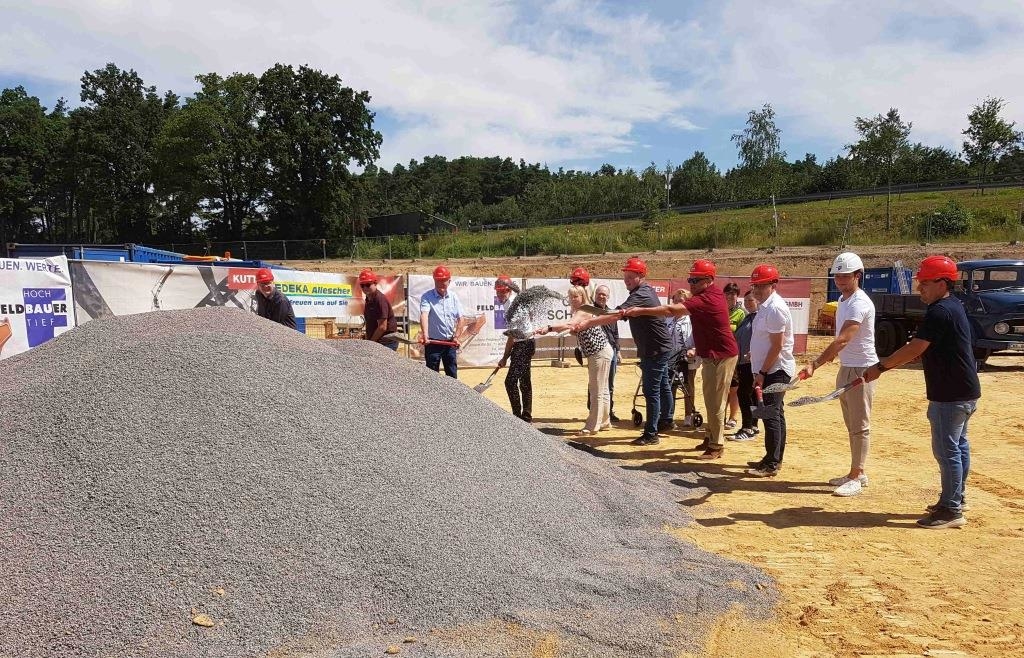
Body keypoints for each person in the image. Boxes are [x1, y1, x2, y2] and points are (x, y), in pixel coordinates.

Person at [864, 255, 980, 529]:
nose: (920, 289)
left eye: (925, 283)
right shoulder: (953, 306)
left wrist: (881, 366)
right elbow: (935, 347)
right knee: (959, 447)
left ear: (942, 283)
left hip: (949, 394)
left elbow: (916, 346)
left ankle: (951, 510)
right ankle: (955, 499)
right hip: (964, 390)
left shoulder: (939, 311)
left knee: (947, 450)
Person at [621, 259, 739, 459]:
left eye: (695, 280)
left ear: (708, 280)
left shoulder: (706, 298)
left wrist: (641, 310)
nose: (691, 284)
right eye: (690, 279)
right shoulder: (711, 293)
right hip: (713, 354)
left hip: (721, 355)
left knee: (716, 402)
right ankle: (710, 437)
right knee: (711, 399)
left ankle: (716, 445)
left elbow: (671, 310)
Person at [800, 252, 878, 496]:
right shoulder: (844, 301)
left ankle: (858, 475)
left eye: (846, 276)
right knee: (851, 424)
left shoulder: (859, 303)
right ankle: (855, 471)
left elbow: (843, 339)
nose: (841, 281)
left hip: (861, 368)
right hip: (847, 366)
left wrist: (815, 364)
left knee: (860, 425)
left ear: (858, 276)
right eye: (837, 277)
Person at [574, 257, 672, 446]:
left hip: (655, 349)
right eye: (625, 276)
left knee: (651, 391)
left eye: (630, 276)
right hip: (655, 348)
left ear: (641, 276)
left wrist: (588, 321)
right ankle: (665, 421)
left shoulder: (641, 293)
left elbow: (617, 315)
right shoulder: (642, 291)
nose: (626, 279)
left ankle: (652, 433)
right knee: (662, 386)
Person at [539, 285, 613, 435]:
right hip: (599, 352)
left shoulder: (585, 310)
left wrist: (549, 327)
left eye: (576, 296)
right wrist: (559, 330)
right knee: (603, 389)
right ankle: (605, 422)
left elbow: (569, 325)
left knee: (596, 390)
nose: (573, 299)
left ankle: (592, 426)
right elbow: (574, 329)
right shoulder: (582, 310)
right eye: (571, 296)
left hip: (599, 352)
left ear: (582, 297)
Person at [745, 264, 795, 477]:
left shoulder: (775, 308)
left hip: (775, 370)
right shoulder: (765, 306)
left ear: (773, 285)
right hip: (769, 368)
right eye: (755, 285)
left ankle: (772, 463)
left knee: (770, 415)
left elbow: (777, 346)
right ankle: (772, 458)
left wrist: (762, 372)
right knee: (775, 414)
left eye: (761, 285)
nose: (756, 289)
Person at [495, 275, 534, 422]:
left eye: (503, 292)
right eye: (498, 292)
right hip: (525, 343)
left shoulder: (512, 306)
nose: (500, 295)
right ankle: (526, 417)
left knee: (510, 382)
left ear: (509, 291)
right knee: (524, 381)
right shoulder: (508, 303)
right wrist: (506, 357)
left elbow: (512, 336)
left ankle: (518, 418)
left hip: (524, 344)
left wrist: (505, 357)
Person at [419, 265, 469, 378]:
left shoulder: (454, 297)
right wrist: (425, 335)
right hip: (433, 343)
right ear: (434, 280)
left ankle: (454, 395)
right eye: (438, 281)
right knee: (432, 376)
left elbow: (461, 319)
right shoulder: (427, 297)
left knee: (452, 375)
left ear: (449, 281)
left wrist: (457, 337)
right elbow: (424, 315)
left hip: (450, 343)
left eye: (443, 281)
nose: (441, 284)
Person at [729, 290, 760, 442]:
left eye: (751, 300)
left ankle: (747, 426)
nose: (748, 303)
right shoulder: (748, 317)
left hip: (751, 363)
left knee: (745, 394)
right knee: (751, 395)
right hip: (743, 362)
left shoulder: (759, 318)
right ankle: (752, 425)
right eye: (746, 301)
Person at [668, 289, 700, 428]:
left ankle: (689, 414)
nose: (677, 303)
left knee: (688, 386)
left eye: (680, 301)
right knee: (670, 386)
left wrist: (694, 349)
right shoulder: (668, 319)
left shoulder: (692, 319)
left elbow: (698, 338)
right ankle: (669, 415)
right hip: (671, 358)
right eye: (675, 301)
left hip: (687, 357)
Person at [590, 284, 620, 422]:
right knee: (595, 383)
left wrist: (618, 351)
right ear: (595, 295)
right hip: (596, 351)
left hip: (612, 352)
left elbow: (615, 333)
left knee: (609, 383)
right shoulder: (589, 311)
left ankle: (608, 412)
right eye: (599, 294)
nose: (601, 296)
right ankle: (593, 411)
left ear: (608, 297)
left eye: (604, 295)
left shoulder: (611, 313)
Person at [724, 282, 746, 430]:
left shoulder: (741, 313)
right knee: (721, 388)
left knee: (733, 388)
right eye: (728, 293)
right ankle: (720, 416)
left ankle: (733, 417)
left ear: (737, 296)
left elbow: (744, 335)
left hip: (734, 355)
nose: (730, 296)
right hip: (720, 355)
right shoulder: (720, 310)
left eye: (733, 293)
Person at [359, 268, 398, 350]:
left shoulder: (379, 300)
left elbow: (382, 327)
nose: (365, 288)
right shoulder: (369, 299)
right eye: (362, 285)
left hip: (386, 343)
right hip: (378, 341)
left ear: (375, 283)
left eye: (368, 284)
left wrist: (370, 343)